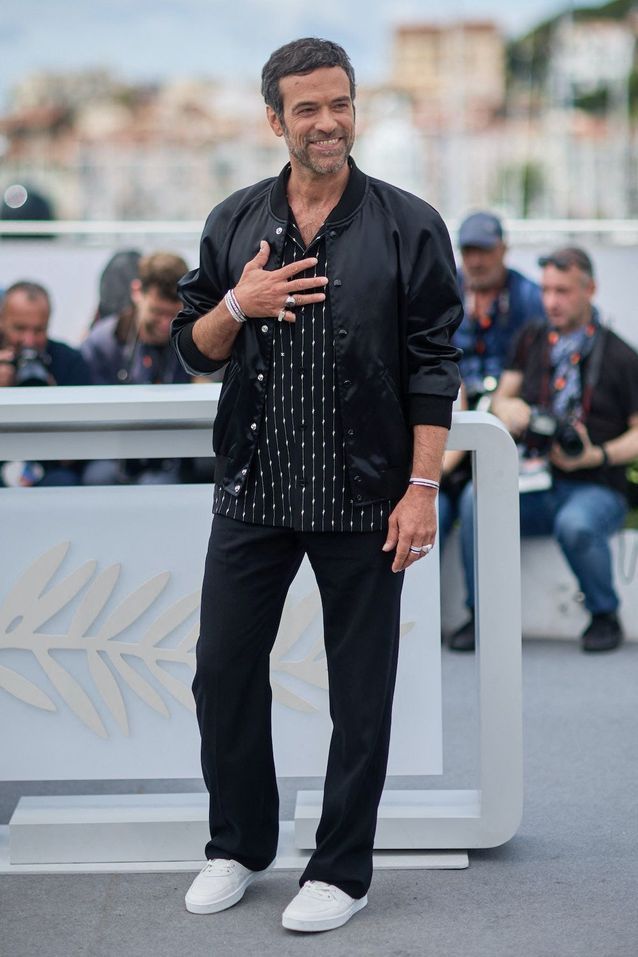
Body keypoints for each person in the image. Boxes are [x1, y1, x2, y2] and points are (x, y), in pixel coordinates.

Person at [171, 38, 462, 933]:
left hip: (364, 494)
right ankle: (240, 844)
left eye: (339, 102)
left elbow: (435, 362)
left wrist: (421, 487)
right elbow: (189, 347)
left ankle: (340, 868)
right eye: (307, 107)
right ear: (275, 119)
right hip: (253, 488)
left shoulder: (410, 224)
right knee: (221, 671)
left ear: (353, 107)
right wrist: (237, 305)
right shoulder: (233, 220)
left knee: (360, 690)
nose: (327, 121)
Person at [454, 247, 638, 653]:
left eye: (564, 291)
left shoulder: (622, 355)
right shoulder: (532, 337)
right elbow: (501, 398)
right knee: (473, 501)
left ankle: (604, 614)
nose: (552, 301)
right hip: (532, 478)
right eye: (547, 290)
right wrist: (511, 408)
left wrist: (598, 455)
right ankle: (479, 615)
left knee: (577, 524)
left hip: (594, 484)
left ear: (590, 289)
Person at [441, 212, 545, 649]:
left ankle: (479, 615)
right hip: (449, 426)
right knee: (431, 509)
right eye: (469, 251)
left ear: (503, 248)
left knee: (476, 502)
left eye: (484, 250)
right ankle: (407, 619)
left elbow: (538, 369)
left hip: (505, 431)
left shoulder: (529, 298)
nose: (476, 260)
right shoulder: (446, 290)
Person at [81, 251, 192, 485]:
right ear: (136, 292)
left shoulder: (196, 341)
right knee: (98, 478)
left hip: (169, 455)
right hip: (113, 453)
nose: (166, 324)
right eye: (157, 312)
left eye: (175, 314)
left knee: (159, 485)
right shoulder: (102, 343)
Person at [0, 281, 91, 487]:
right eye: (20, 328)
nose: (29, 341)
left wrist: (55, 400)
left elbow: (80, 450)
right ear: (2, 321)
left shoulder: (70, 362)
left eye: (38, 330)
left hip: (52, 471)